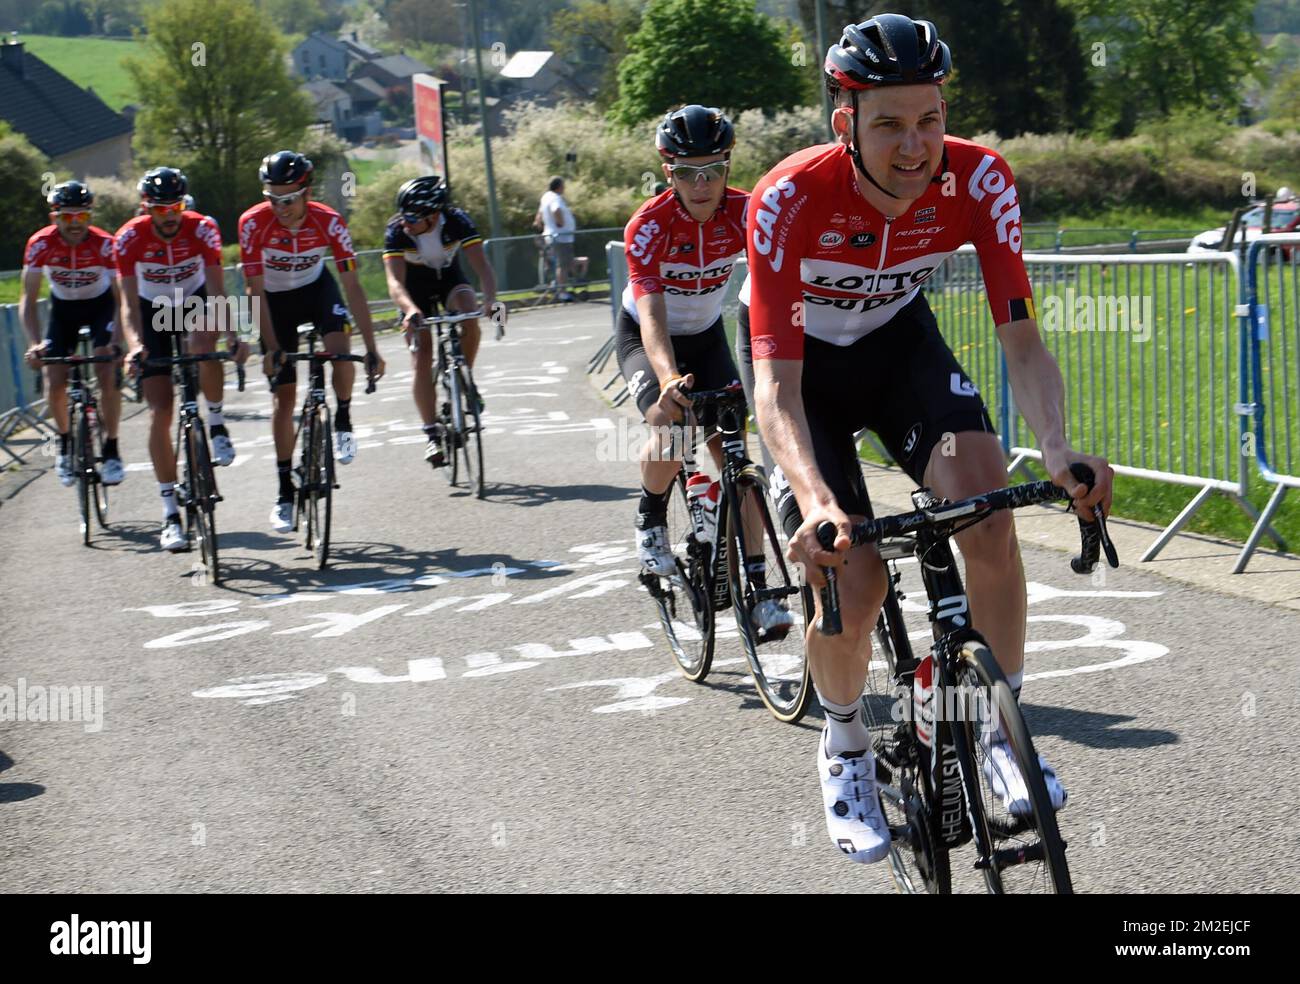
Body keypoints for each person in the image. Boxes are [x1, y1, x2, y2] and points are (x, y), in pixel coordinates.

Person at [744, 14, 1115, 863]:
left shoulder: (982, 181)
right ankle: (843, 747)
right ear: (846, 123)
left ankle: (999, 734)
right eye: (888, 124)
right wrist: (816, 500)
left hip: (897, 346)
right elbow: (776, 386)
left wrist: (1057, 451)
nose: (914, 147)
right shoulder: (789, 197)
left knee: (989, 511)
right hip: (803, 372)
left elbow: (1020, 337)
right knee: (856, 570)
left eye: (929, 120)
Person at [621, 104, 793, 639]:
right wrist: (668, 377)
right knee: (672, 425)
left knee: (738, 465)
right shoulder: (648, 226)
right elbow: (651, 318)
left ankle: (762, 589)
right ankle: (650, 515)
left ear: (727, 168)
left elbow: (778, 283)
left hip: (709, 338)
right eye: (688, 172)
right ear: (668, 173)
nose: (703, 184)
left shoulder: (745, 213)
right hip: (648, 338)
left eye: (714, 170)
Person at [238, 150, 386, 533]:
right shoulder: (253, 224)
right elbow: (253, 291)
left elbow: (352, 286)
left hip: (317, 290)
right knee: (283, 397)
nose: (280, 207)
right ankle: (285, 491)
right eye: (272, 198)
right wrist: (269, 348)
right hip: (274, 302)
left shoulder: (330, 222)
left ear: (306, 192)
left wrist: (371, 347)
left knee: (339, 351)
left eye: (288, 199)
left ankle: (343, 418)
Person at [116, 167, 249, 552]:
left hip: (194, 300)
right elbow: (127, 306)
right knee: (161, 409)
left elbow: (218, 289)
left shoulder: (203, 227)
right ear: (146, 209)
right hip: (150, 309)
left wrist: (235, 336)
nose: (169, 215)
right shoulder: (128, 238)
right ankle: (170, 512)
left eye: (175, 206)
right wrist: (136, 345)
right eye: (160, 209)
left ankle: (218, 423)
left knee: (201, 339)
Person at [382, 175, 503, 467]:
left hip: (449, 279)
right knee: (422, 355)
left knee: (469, 313)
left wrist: (490, 300)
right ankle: (431, 434)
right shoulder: (397, 232)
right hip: (414, 290)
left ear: (433, 215)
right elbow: (395, 283)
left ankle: (465, 380)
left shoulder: (458, 221)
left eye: (412, 217)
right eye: (403, 214)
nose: (405, 222)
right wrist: (410, 310)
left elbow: (482, 268)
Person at [21, 181, 125, 488]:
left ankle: (112, 448)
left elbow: (122, 301)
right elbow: (28, 299)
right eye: (68, 218)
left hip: (101, 308)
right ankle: (65, 444)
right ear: (55, 219)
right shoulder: (41, 243)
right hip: (63, 310)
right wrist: (34, 343)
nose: (76, 224)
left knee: (106, 371)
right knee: (55, 380)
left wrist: (116, 341)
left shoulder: (105, 244)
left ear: (90, 216)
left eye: (82, 216)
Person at [535, 176, 582, 301]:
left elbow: (539, 215)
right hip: (561, 238)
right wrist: (560, 223)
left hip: (553, 236)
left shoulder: (546, 196)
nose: (564, 188)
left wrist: (540, 225)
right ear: (559, 187)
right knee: (563, 265)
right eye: (563, 186)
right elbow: (556, 210)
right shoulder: (555, 198)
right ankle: (562, 292)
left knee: (563, 264)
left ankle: (562, 287)